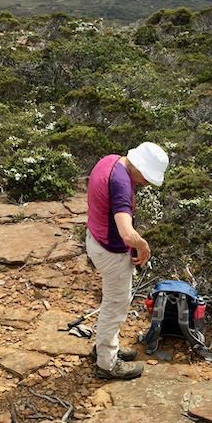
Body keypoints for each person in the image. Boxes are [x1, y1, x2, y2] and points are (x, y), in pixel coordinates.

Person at [84, 141, 168, 381]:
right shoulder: (121, 183)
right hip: (111, 252)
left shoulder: (110, 161)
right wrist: (143, 246)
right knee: (115, 307)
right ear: (140, 167)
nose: (145, 183)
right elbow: (126, 233)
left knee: (111, 303)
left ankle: (104, 346)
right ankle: (107, 364)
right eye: (146, 177)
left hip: (95, 239)